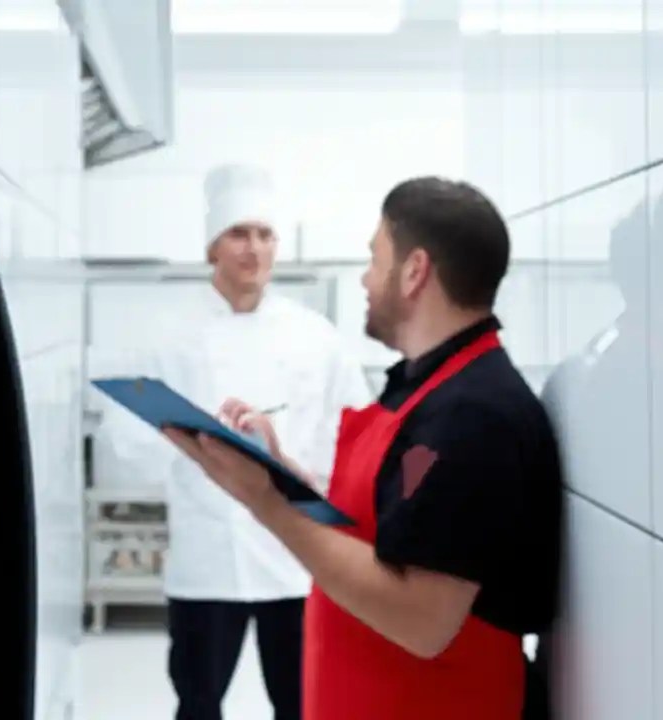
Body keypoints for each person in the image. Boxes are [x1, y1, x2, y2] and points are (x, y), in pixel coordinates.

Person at [164, 177, 564, 719]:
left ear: (415, 271)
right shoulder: (424, 387)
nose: (364, 278)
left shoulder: (474, 415)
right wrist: (280, 471)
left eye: (375, 259)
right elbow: (379, 527)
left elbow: (423, 620)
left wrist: (266, 501)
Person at [108, 163, 373, 720]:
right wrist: (187, 440)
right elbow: (124, 438)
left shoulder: (315, 336)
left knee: (302, 704)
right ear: (212, 247)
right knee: (198, 703)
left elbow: (357, 430)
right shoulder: (167, 335)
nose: (253, 248)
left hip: (296, 555)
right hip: (207, 554)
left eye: (264, 234)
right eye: (238, 234)